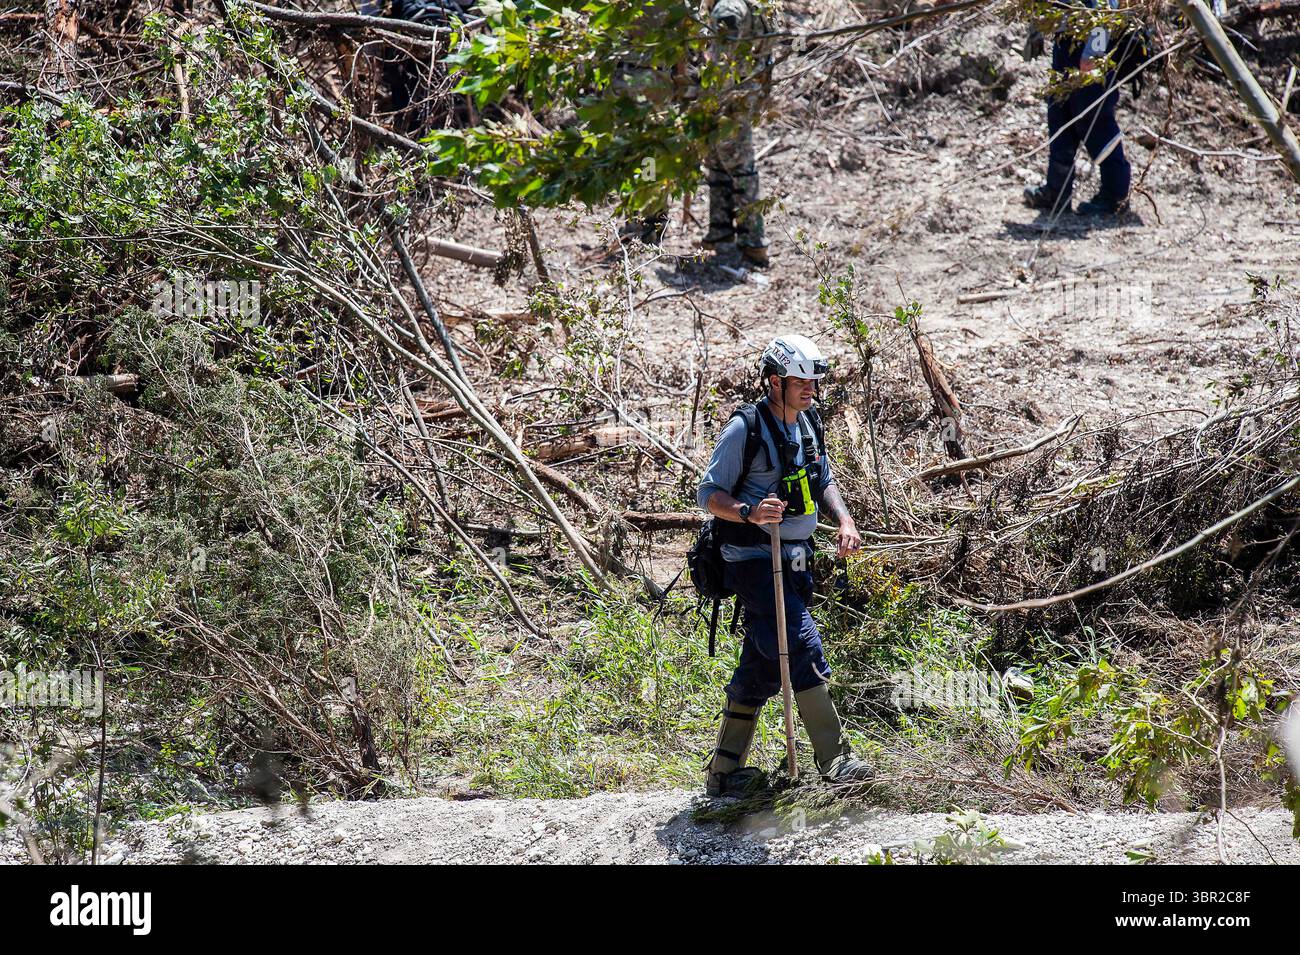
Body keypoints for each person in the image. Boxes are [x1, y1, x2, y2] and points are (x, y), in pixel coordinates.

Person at [695, 335, 875, 797]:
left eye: (814, 381)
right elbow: (708, 495)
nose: (810, 388)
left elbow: (824, 478)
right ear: (775, 382)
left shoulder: (808, 422)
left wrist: (844, 518)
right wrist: (749, 512)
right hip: (754, 559)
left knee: (762, 665)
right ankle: (836, 761)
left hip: (795, 559)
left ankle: (725, 771)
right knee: (801, 644)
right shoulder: (744, 429)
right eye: (801, 381)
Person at [1023, 0, 1132, 217]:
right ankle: (1057, 192)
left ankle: (1116, 196)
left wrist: (1095, 50)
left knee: (1095, 120)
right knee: (1060, 117)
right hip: (1065, 42)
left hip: (1090, 46)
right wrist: (1036, 28)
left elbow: (1107, 7)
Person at [701, 0, 771, 266]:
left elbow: (721, 64)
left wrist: (711, 102)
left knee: (739, 167)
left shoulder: (728, 10)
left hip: (729, 100)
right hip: (743, 95)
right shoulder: (751, 4)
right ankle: (720, 232)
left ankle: (753, 241)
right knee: (719, 164)